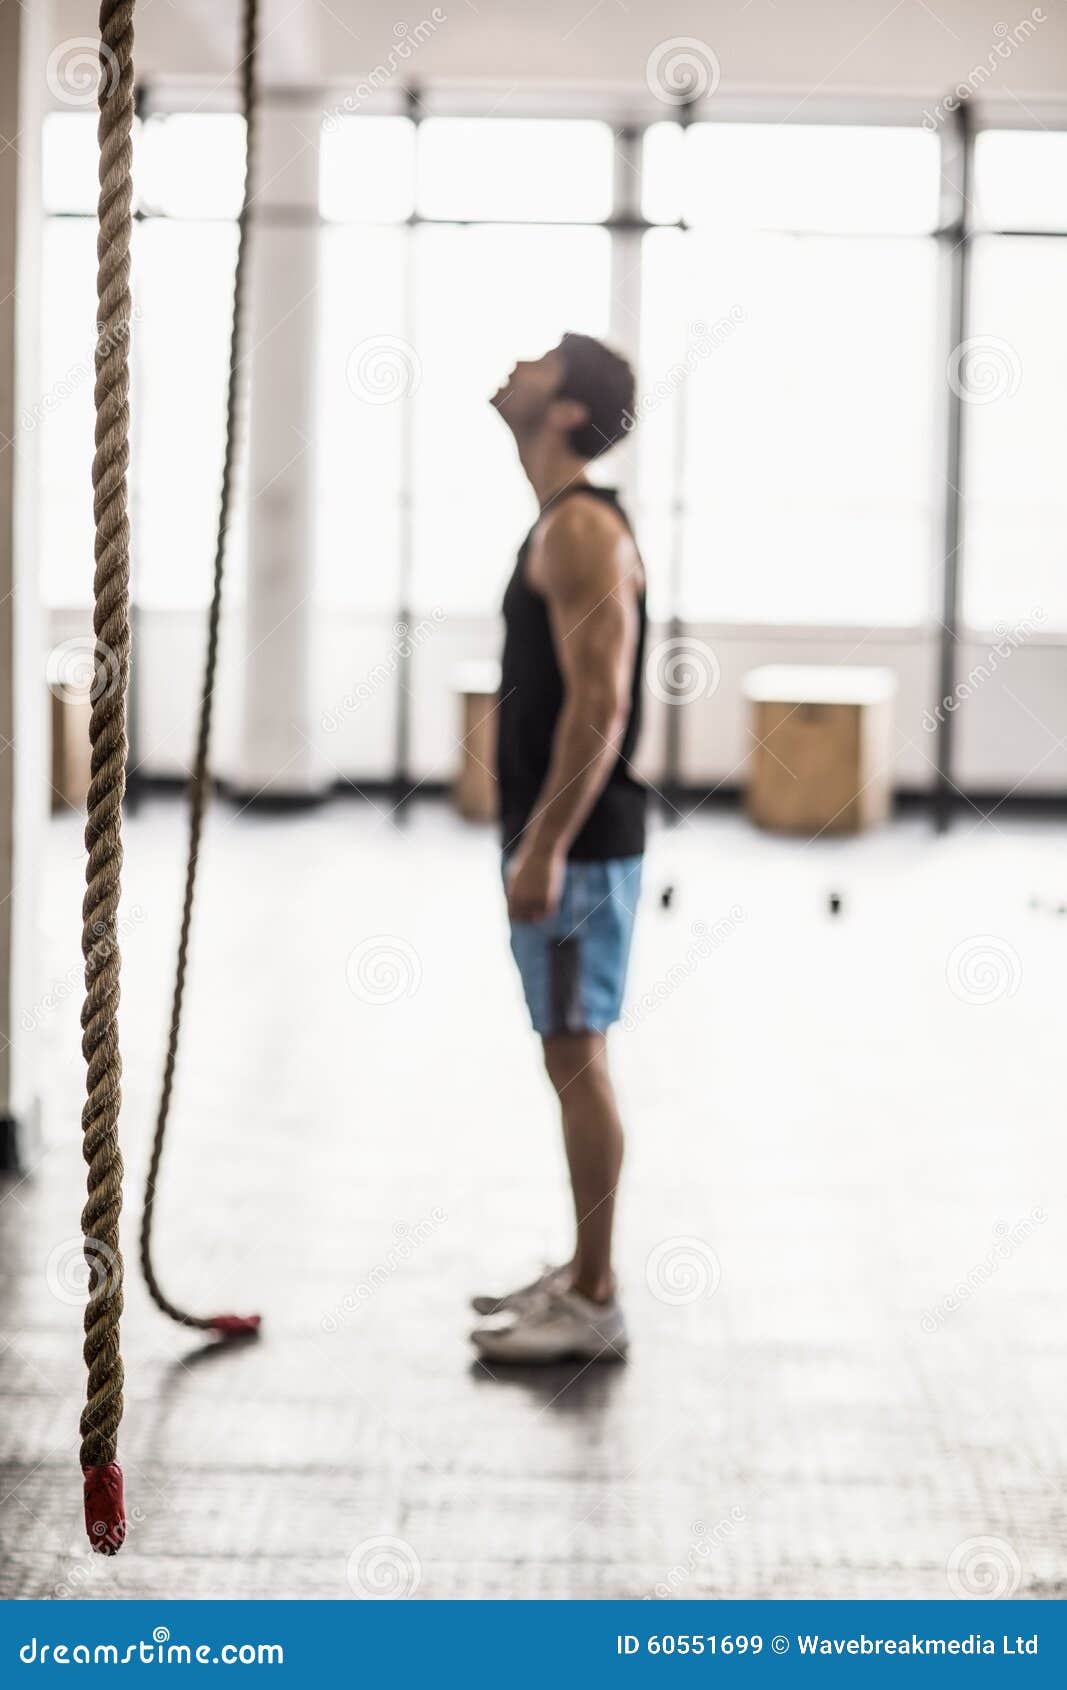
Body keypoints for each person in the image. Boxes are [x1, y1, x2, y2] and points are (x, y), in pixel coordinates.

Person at [470, 332, 648, 1365]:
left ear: (568, 409)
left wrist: (543, 847)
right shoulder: (557, 520)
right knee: (565, 1053)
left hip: (575, 847)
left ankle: (593, 1298)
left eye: (537, 360)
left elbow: (602, 702)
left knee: (577, 1057)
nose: (515, 365)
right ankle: (584, 1271)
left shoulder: (581, 528)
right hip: (561, 840)